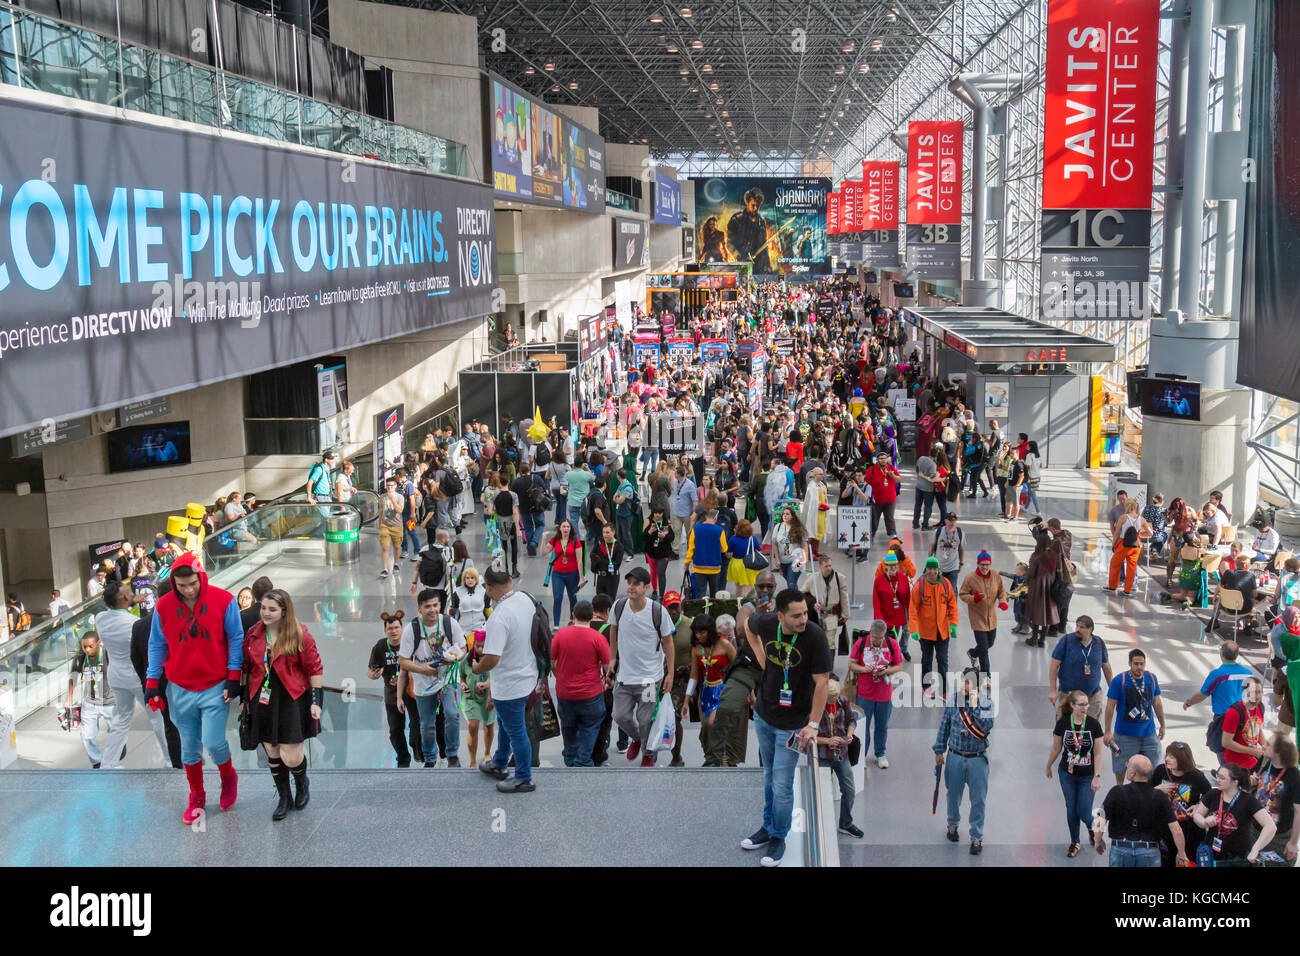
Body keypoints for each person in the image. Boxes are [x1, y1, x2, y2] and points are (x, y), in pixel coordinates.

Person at [145, 554, 244, 824]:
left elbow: (236, 637)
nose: (188, 590)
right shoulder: (163, 606)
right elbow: (157, 644)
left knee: (213, 742)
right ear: (173, 583)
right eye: (181, 585)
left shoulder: (224, 600)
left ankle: (228, 776)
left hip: (215, 685)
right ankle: (197, 794)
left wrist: (234, 675)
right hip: (179, 687)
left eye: (192, 583)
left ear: (201, 576)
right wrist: (152, 682)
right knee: (189, 748)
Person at [739, 588, 831, 867]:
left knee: (782, 784)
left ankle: (779, 835)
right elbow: (747, 624)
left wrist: (813, 724)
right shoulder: (766, 623)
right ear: (780, 616)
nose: (803, 619)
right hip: (765, 717)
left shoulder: (814, 637)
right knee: (769, 776)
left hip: (793, 728)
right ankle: (768, 827)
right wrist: (759, 655)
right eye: (796, 615)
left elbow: (823, 683)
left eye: (805, 613)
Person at [242, 588, 323, 820]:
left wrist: (316, 701)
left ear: (284, 611)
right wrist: (244, 700)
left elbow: (314, 669)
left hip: (291, 700)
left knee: (291, 756)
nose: (265, 613)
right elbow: (247, 668)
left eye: (272, 609)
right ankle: (284, 796)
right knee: (273, 753)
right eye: (264, 608)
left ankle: (301, 781)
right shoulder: (254, 634)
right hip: (262, 699)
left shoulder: (300, 635)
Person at [473, 567, 540, 793]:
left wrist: (476, 668)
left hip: (509, 683)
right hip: (528, 675)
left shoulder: (499, 616)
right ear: (510, 580)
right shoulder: (525, 598)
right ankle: (500, 762)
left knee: (516, 730)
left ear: (488, 587)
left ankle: (523, 777)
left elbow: (492, 658)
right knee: (505, 723)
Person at [96, 578, 168, 768]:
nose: (132, 593)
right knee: (156, 717)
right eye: (129, 591)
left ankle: (108, 762)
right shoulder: (134, 623)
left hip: (116, 676)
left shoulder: (100, 619)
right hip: (136, 677)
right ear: (125, 597)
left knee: (122, 717)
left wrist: (131, 601)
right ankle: (170, 760)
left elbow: (118, 608)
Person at [609, 567, 676, 767]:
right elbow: (613, 630)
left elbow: (668, 643)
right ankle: (637, 739)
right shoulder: (619, 606)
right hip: (625, 677)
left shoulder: (658, 611)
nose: (631, 587)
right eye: (629, 583)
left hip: (649, 678)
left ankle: (647, 753)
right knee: (619, 716)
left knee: (645, 719)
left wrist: (670, 673)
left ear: (646, 587)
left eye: (636, 584)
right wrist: (612, 658)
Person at [706, 575, 775, 768]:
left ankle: (767, 763)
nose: (765, 590)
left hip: (775, 671)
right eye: (761, 586)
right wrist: (757, 617)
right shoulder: (749, 607)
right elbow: (740, 629)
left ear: (775, 587)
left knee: (771, 722)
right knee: (727, 707)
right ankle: (716, 757)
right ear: (755, 587)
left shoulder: (781, 608)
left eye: (770, 586)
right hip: (749, 667)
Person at [399, 589, 467, 768]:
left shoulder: (449, 623)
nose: (432, 610)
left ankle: (452, 754)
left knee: (453, 715)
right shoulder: (411, 629)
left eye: (435, 605)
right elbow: (403, 661)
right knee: (427, 723)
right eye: (427, 606)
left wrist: (454, 657)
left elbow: (464, 648)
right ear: (419, 608)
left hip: (448, 679)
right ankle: (430, 758)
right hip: (424, 683)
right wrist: (421, 669)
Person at [934, 667, 995, 855]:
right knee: (953, 795)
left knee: (978, 800)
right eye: (963, 681)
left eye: (968, 682)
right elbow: (944, 725)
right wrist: (939, 750)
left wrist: (976, 705)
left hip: (977, 758)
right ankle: (952, 824)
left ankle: (976, 836)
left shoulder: (987, 702)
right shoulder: (953, 700)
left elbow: (986, 727)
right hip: (955, 756)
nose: (964, 685)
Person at [1095, 755, 1188, 867]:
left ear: (1132, 773)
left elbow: (1100, 818)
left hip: (1120, 849)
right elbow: (1176, 830)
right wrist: (1181, 853)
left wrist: (1098, 840)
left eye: (1128, 766)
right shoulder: (1159, 796)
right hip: (1149, 851)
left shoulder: (1117, 792)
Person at [1045, 690, 1105, 857]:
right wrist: (1049, 765)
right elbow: (1057, 747)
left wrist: (1097, 776)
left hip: (1087, 775)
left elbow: (1098, 753)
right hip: (1067, 774)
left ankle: (1096, 825)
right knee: (1071, 810)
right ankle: (1075, 842)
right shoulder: (1063, 724)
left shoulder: (1093, 725)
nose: (1085, 707)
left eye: (1087, 704)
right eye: (1081, 704)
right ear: (1072, 705)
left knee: (1084, 811)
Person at [551, 600, 610, 768]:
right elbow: (607, 667)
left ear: (573, 615)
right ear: (592, 617)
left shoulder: (560, 635)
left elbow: (553, 663)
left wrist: (560, 677)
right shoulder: (598, 638)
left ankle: (570, 759)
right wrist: (606, 681)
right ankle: (583, 760)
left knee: (568, 728)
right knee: (590, 728)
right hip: (591, 694)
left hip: (565, 693)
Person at [1182, 640, 1252, 764]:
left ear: (1221, 654)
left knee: (1223, 748)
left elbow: (1202, 694)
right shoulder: (1248, 673)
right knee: (1240, 746)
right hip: (1244, 718)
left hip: (1224, 719)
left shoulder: (1217, 675)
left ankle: (1226, 771)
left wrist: (1188, 702)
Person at [1191, 764, 1277, 865]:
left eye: (1222, 778)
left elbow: (1271, 827)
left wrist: (1255, 849)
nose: (1218, 779)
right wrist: (1204, 822)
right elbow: (1197, 815)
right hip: (1210, 852)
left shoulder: (1248, 801)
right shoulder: (1213, 794)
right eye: (1218, 776)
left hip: (1236, 858)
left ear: (1235, 782)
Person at [368, 611, 422, 768]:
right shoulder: (380, 646)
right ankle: (403, 759)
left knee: (416, 726)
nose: (394, 631)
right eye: (390, 628)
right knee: (395, 730)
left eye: (397, 627)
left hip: (412, 692)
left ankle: (417, 749)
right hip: (392, 694)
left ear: (402, 628)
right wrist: (374, 674)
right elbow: (370, 671)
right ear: (385, 631)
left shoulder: (410, 643)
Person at [1104, 648, 1165, 785]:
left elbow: (1157, 702)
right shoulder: (1119, 681)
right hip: (1125, 735)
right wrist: (1107, 731)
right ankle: (1120, 789)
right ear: (1130, 663)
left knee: (1153, 764)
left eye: (1142, 664)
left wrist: (1163, 724)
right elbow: (1110, 707)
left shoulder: (1151, 678)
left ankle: (1149, 792)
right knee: (1120, 765)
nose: (1139, 667)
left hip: (1148, 733)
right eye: (1136, 664)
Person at [679, 613, 736, 760]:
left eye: (702, 632)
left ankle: (721, 756)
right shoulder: (696, 649)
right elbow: (694, 675)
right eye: (696, 632)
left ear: (710, 630)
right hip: (705, 692)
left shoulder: (724, 644)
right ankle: (710, 756)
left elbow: (738, 668)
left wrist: (748, 693)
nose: (699, 636)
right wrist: (686, 700)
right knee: (706, 727)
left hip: (723, 691)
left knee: (713, 724)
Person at [847, 620, 904, 768]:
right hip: (864, 694)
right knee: (863, 726)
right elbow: (851, 664)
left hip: (884, 695)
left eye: (880, 638)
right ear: (870, 633)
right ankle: (862, 755)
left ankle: (880, 754)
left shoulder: (892, 643)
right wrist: (863, 669)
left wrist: (886, 671)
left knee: (882, 726)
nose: (877, 641)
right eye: (875, 638)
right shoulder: (860, 643)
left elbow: (899, 666)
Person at [1150, 742, 1213, 867]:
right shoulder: (1160, 771)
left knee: (1187, 860)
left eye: (1172, 757)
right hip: (1165, 827)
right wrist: (1157, 789)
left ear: (1182, 759)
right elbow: (1145, 793)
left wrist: (1198, 805)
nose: (1167, 759)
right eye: (1167, 755)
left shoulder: (1196, 776)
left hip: (1189, 830)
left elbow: (1210, 795)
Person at [816, 677, 862, 838]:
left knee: (849, 791)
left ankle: (845, 823)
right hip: (822, 756)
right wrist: (826, 740)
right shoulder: (814, 706)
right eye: (829, 699)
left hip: (841, 754)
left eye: (834, 698)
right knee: (821, 793)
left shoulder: (843, 701)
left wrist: (849, 734)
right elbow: (805, 733)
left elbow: (852, 720)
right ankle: (820, 824)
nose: (832, 702)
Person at [909, 557, 960, 698]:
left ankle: (944, 690)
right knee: (927, 659)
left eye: (934, 569)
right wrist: (914, 629)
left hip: (942, 632)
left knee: (942, 659)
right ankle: (926, 686)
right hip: (925, 633)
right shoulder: (919, 587)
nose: (932, 572)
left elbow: (952, 605)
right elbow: (912, 609)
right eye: (929, 569)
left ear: (938, 570)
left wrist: (954, 624)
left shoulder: (945, 584)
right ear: (926, 570)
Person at [65, 631, 115, 767]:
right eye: (84, 647)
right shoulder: (81, 656)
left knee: (116, 731)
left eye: (90, 646)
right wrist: (69, 697)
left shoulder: (107, 654)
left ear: (99, 643)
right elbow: (73, 676)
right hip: (90, 702)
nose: (87, 650)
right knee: (86, 736)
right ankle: (97, 762)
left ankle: (119, 746)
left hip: (109, 702)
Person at [1048, 615, 1112, 721]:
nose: (1077, 629)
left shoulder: (1099, 643)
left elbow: (1106, 667)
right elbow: (1054, 665)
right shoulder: (1066, 641)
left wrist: (1113, 688)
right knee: (1067, 728)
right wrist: (1053, 691)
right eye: (1077, 626)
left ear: (1090, 629)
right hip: (1069, 696)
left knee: (1091, 729)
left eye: (1082, 627)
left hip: (1092, 696)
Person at [958, 550, 1006, 676]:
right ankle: (986, 675)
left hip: (992, 618)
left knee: (990, 643)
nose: (984, 567)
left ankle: (973, 653)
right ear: (978, 564)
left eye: (987, 564)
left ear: (990, 564)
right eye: (982, 564)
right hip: (977, 618)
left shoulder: (996, 575)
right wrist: (974, 598)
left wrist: (1002, 601)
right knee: (984, 649)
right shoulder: (970, 578)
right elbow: (962, 594)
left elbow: (1001, 590)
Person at [1254, 734, 1299, 862]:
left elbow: (1298, 813)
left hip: (1277, 838)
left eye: (1268, 745)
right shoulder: (1265, 762)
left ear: (1279, 752)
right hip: (1255, 831)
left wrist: (1293, 843)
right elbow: (1251, 781)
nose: (1263, 746)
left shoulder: (1294, 777)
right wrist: (1251, 780)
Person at [1220, 675, 1266, 771]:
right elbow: (1226, 742)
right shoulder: (1234, 712)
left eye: (1259, 692)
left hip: (1252, 762)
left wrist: (1265, 746)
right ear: (1246, 693)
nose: (1257, 696)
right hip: (1234, 765)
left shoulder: (1261, 707)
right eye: (1254, 692)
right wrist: (1253, 751)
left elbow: (1258, 728)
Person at [802, 552, 846, 653]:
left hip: (831, 615)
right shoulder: (812, 578)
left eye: (830, 565)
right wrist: (813, 603)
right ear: (820, 566)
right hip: (817, 615)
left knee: (830, 642)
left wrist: (845, 614)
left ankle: (829, 666)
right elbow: (803, 594)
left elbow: (844, 596)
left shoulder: (839, 578)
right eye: (826, 566)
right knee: (816, 641)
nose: (829, 568)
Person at [547, 518, 586, 627]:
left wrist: (581, 578)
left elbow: (579, 561)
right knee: (557, 598)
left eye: (568, 527)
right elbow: (543, 552)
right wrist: (543, 538)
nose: (566, 528)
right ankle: (556, 625)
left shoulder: (575, 541)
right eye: (563, 526)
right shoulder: (555, 540)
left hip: (572, 574)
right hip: (557, 574)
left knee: (572, 597)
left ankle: (572, 619)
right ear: (559, 528)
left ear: (570, 528)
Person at [1025, 533, 1060, 647]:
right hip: (1051, 585)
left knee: (1036, 611)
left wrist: (1025, 582)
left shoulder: (1036, 555)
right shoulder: (1054, 555)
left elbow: (1031, 573)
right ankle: (1042, 640)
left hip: (1038, 586)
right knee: (1047, 612)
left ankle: (1034, 638)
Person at [685, 509, 729, 600]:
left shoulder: (695, 529)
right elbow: (724, 549)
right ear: (715, 517)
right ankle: (713, 612)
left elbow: (691, 548)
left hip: (699, 568)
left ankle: (701, 612)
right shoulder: (720, 530)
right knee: (714, 594)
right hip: (715, 569)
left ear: (705, 516)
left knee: (700, 594)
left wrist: (687, 563)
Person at [643, 505, 677, 600]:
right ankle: (654, 590)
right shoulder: (648, 521)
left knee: (661, 573)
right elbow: (643, 538)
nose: (658, 515)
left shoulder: (668, 522)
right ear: (653, 513)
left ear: (663, 513)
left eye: (660, 513)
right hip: (651, 551)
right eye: (656, 513)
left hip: (664, 552)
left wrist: (664, 537)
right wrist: (649, 531)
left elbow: (672, 538)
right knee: (653, 572)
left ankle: (662, 595)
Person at [864, 451, 900, 539]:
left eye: (885, 458)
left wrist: (893, 476)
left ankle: (893, 535)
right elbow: (866, 484)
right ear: (877, 460)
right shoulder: (871, 469)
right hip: (877, 500)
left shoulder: (891, 467)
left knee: (890, 517)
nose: (884, 460)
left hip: (890, 499)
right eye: (881, 459)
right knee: (875, 518)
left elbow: (898, 479)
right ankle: (871, 533)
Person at [377, 475, 405, 579]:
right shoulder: (382, 497)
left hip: (397, 525)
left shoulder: (399, 497)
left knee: (397, 547)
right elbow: (381, 510)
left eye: (391, 486)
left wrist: (392, 499)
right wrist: (379, 521)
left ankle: (396, 563)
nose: (389, 487)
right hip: (385, 525)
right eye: (387, 485)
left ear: (395, 486)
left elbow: (399, 510)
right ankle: (385, 569)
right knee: (385, 547)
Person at [591, 523, 626, 601]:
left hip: (612, 577)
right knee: (599, 601)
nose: (605, 535)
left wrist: (600, 560)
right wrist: (605, 562)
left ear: (613, 532)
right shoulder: (600, 542)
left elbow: (616, 565)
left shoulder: (619, 546)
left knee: (609, 601)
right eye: (603, 532)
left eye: (607, 532)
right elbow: (592, 554)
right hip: (600, 577)